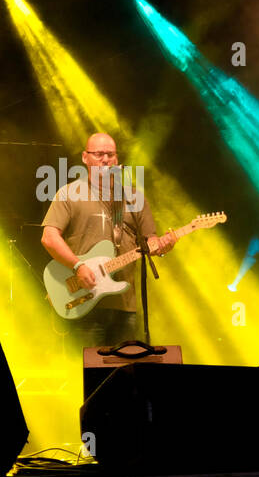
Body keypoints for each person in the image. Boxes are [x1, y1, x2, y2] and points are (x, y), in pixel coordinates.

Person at [40, 132, 176, 350]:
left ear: (117, 160)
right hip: (83, 301)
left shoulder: (133, 197)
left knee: (124, 375)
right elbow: (49, 237)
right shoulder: (69, 193)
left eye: (110, 155)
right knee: (86, 373)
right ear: (85, 158)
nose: (105, 159)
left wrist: (163, 246)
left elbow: (151, 241)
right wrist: (78, 266)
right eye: (99, 154)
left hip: (124, 304)